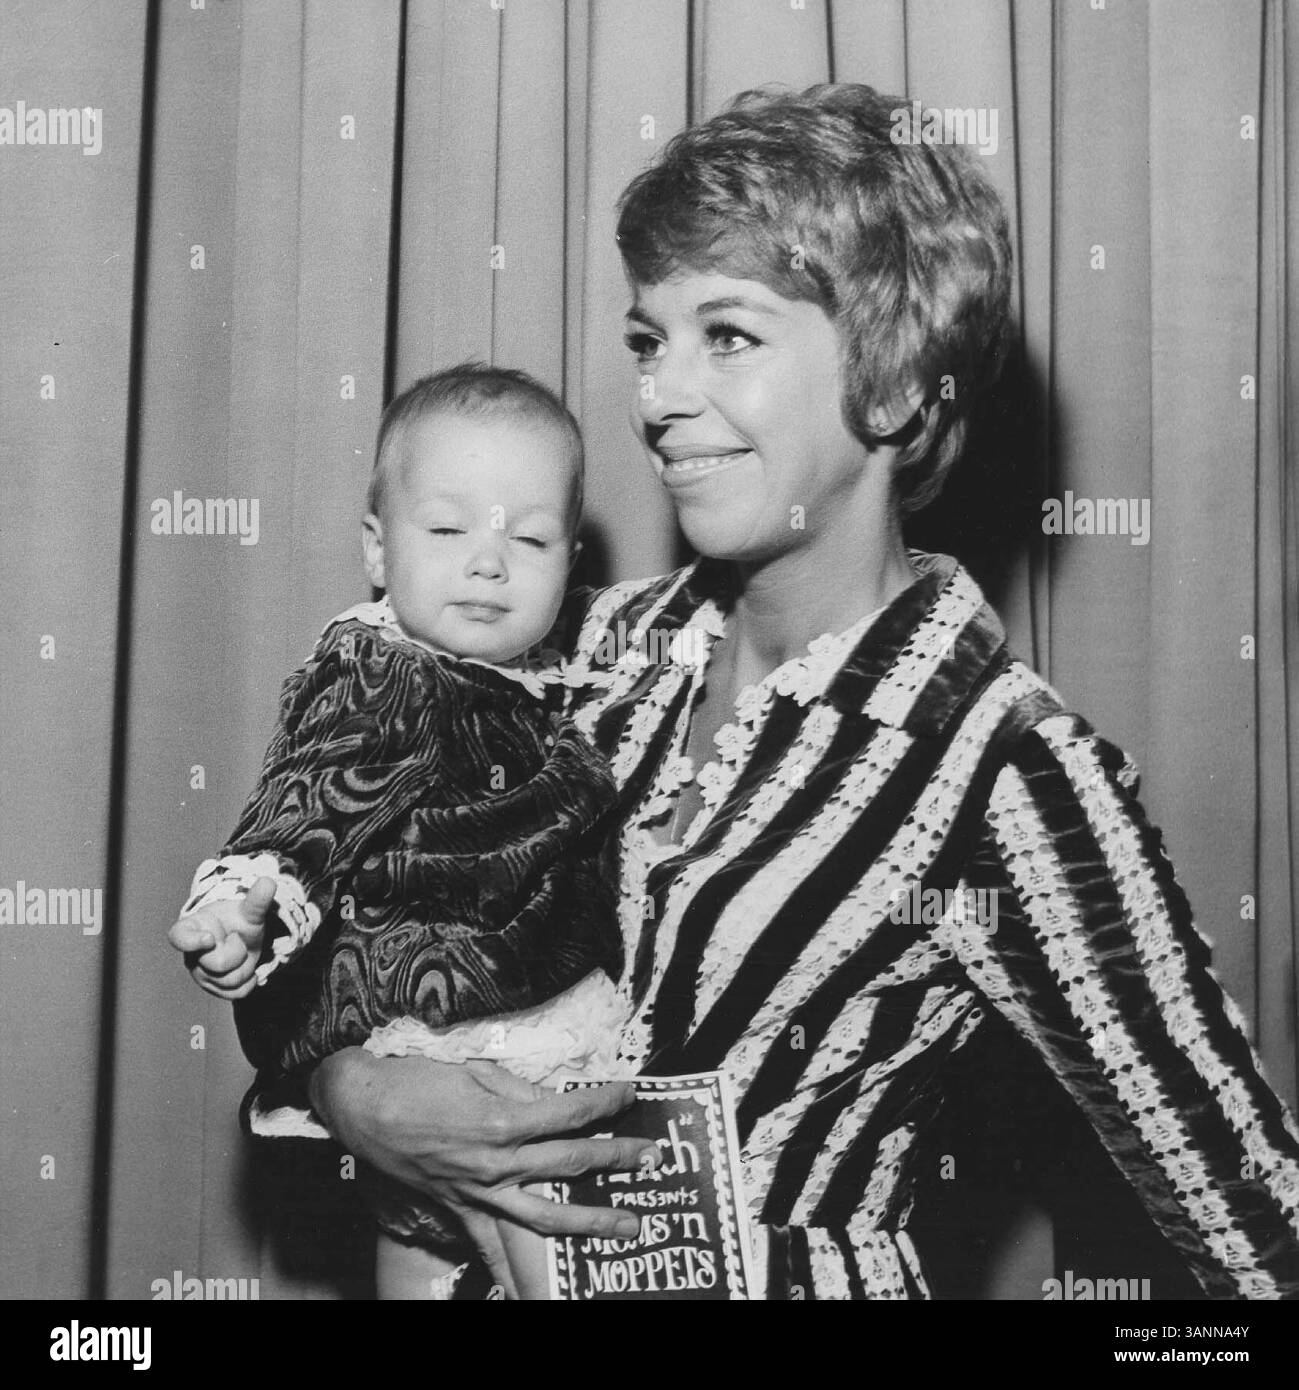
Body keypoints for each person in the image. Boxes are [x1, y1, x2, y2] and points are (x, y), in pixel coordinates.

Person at [300, 83, 1299, 1299]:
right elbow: (335, 921)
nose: (658, 399)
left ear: (893, 377)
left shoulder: (1002, 769)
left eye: (726, 335)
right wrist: (350, 1089)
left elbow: (1260, 1231)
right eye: (645, 340)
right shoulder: (577, 659)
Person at [167, 363, 647, 1299]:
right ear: (379, 552)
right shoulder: (384, 672)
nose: (489, 561)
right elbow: (308, 805)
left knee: (430, 1264)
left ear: (570, 569)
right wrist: (245, 904)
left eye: (533, 538)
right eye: (448, 528)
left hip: (493, 1034)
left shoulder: (547, 685)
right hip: (464, 1040)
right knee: (546, 1253)